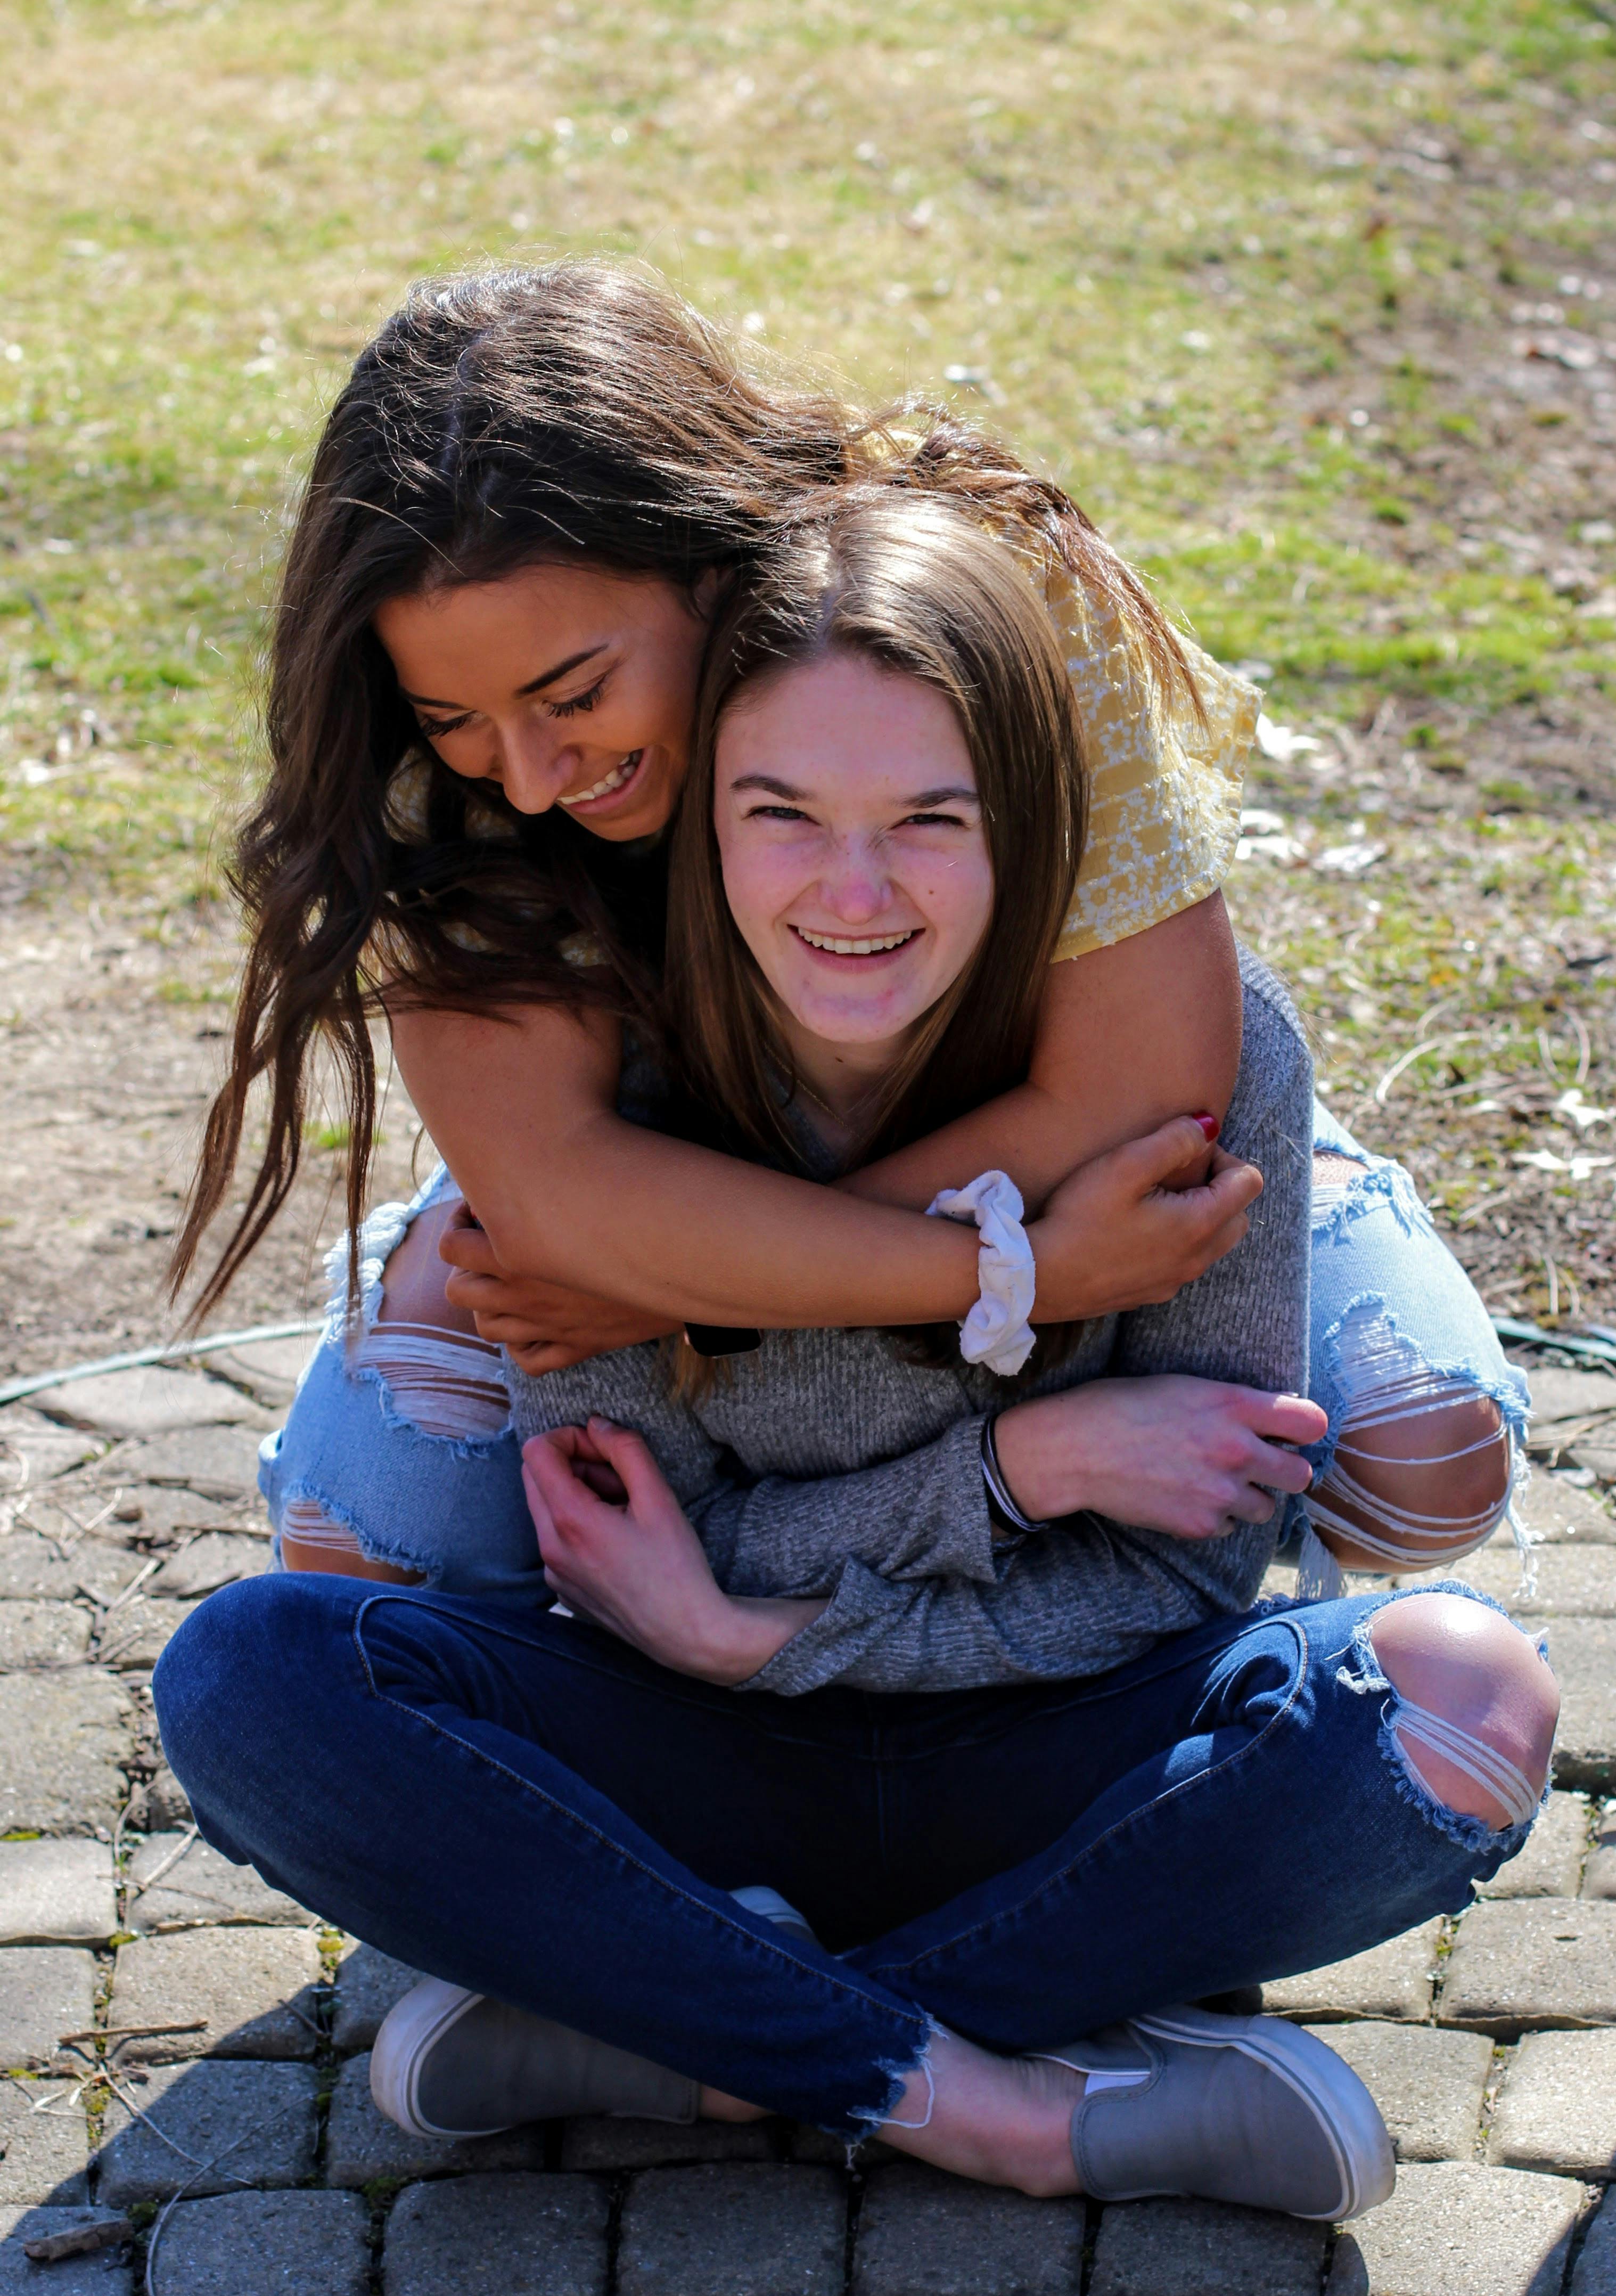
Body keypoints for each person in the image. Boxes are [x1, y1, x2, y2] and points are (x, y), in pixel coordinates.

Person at [154, 489, 1559, 2215]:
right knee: (251, 1670)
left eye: (929, 818)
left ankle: (685, 2037)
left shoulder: (1189, 1048)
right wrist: (1021, 1464)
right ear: (702, 831)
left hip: (1068, 1755)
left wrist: (757, 1627)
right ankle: (1007, 2104)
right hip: (696, 1757)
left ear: (1026, 826)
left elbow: (1184, 1570)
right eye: (780, 815)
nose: (853, 888)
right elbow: (618, 1550)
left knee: (1462, 1699)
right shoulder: (612, 1103)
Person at [172, 261, 1524, 1600]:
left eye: (573, 692)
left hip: (1019, 1098)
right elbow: (563, 1196)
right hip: (681, 1144)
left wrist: (684, 1289)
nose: (525, 778)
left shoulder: (997, 583)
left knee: (1427, 1463)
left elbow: (1140, 1089)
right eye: (461, 722)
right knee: (368, 1539)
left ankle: (1308, 1187)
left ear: (708, 561)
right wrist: (1014, 1272)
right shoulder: (405, 756)